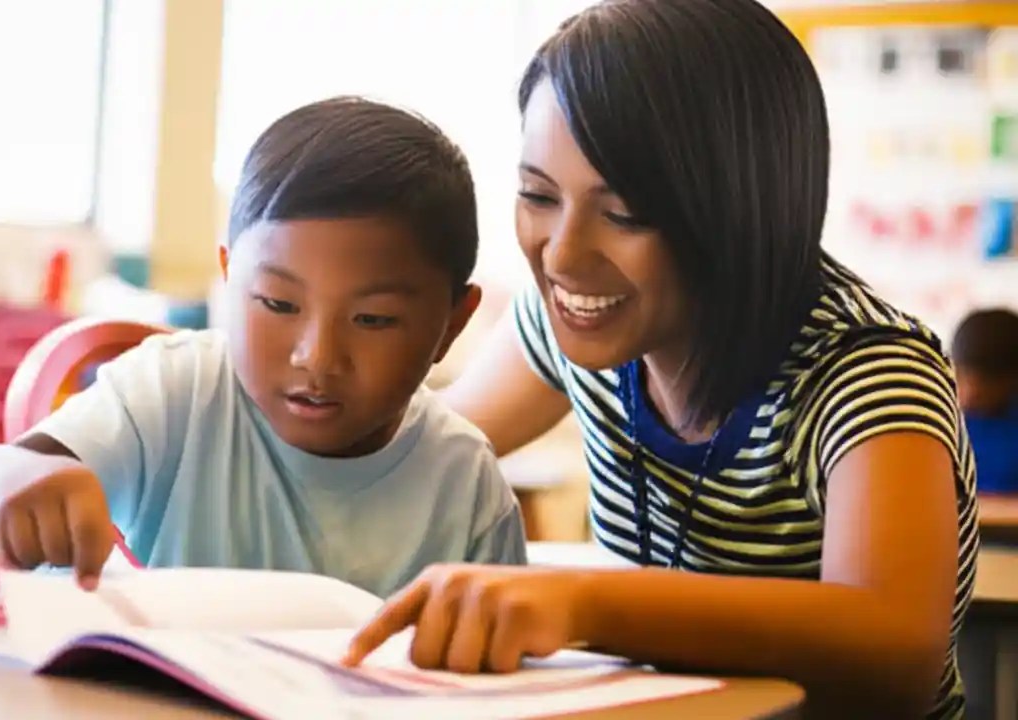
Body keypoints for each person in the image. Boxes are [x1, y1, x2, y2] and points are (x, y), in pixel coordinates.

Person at [342, 2, 976, 718]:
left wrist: (583, 601)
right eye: (537, 196)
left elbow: (900, 653)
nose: (563, 254)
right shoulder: (571, 326)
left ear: (741, 206)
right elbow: (405, 457)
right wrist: (207, 383)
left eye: (624, 214)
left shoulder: (865, 370)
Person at [0, 97, 528, 598]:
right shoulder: (176, 392)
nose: (317, 356)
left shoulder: (466, 486)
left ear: (451, 325)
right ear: (227, 279)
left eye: (373, 318)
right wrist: (6, 485)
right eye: (277, 304)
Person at [952, 308, 1018, 494]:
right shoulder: (949, 422)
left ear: (1009, 381)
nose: (964, 392)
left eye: (977, 383)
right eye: (959, 375)